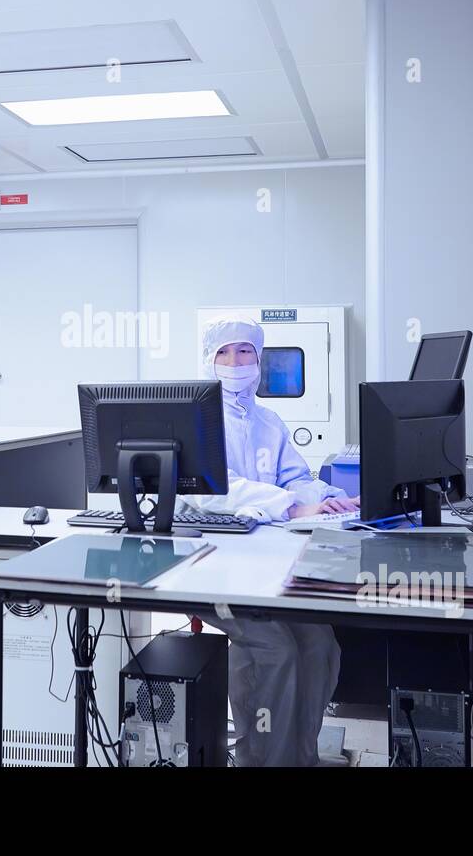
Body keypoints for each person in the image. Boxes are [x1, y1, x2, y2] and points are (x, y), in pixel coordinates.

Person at [188, 315, 359, 766]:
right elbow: (217, 489)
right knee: (276, 650)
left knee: (321, 644)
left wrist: (331, 499)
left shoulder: (268, 421)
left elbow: (295, 476)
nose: (235, 361)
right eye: (224, 352)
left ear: (259, 360)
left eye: (245, 351)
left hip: (265, 564)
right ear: (210, 360)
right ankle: (261, 759)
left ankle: (300, 756)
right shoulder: (197, 420)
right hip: (213, 567)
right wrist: (289, 507)